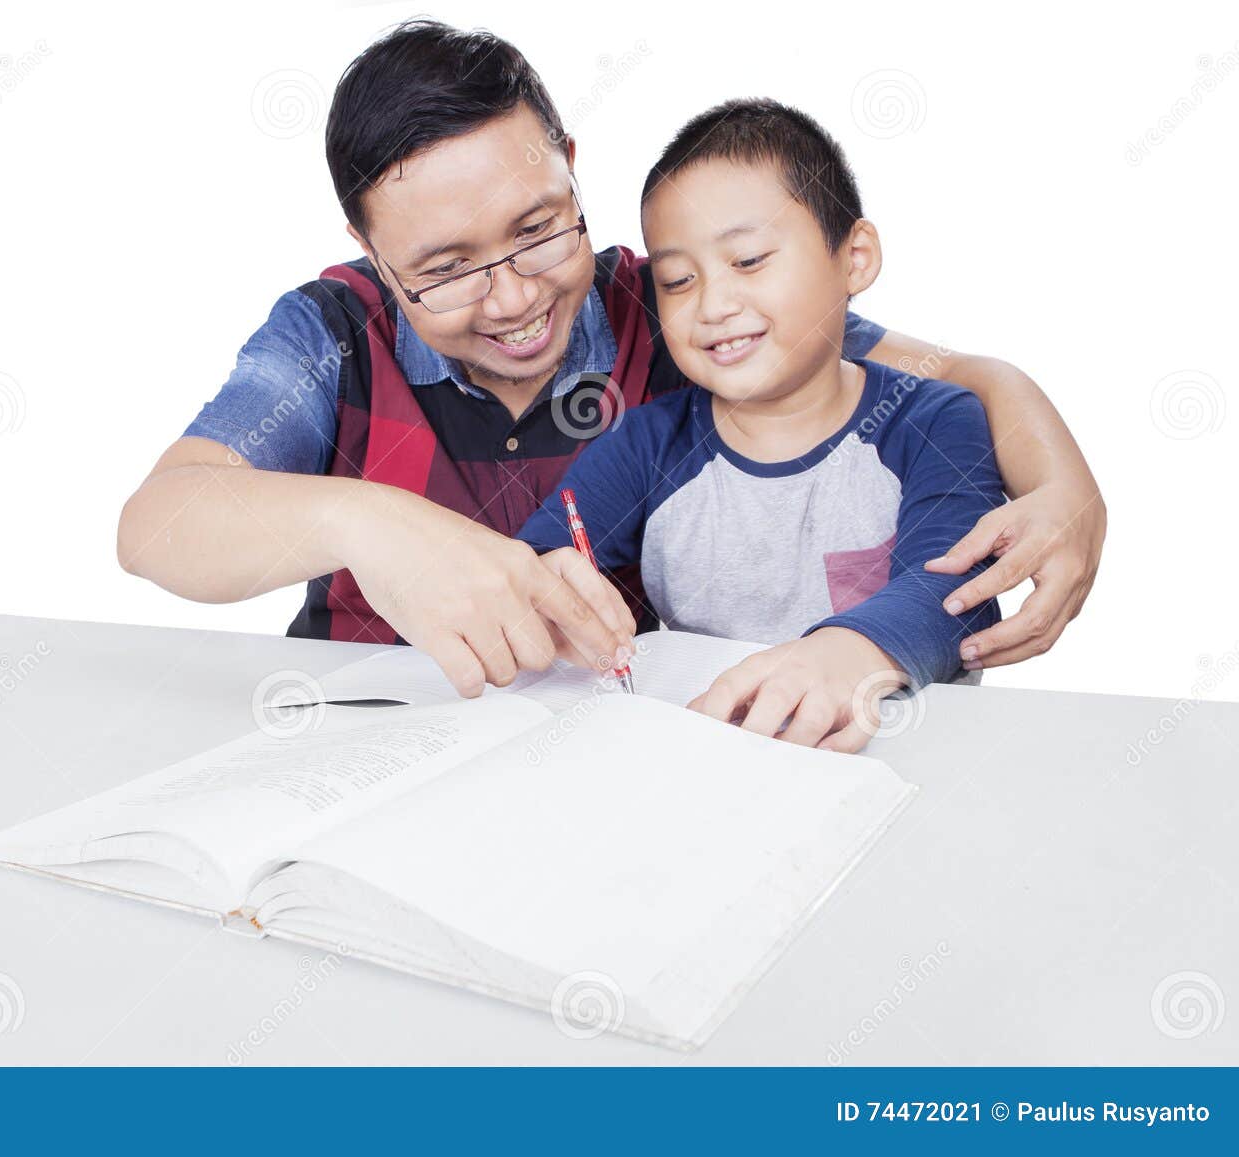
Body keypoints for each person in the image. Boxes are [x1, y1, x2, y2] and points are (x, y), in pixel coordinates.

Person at [116, 20, 1105, 698]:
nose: (512, 297)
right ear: (371, 251)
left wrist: (1065, 488)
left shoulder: (672, 307)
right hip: (367, 727)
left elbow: (958, 377)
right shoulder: (332, 332)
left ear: (572, 167)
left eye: (539, 230)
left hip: (615, 743)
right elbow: (158, 524)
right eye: (445, 266)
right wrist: (369, 521)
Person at [518, 98, 1003, 750]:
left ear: (854, 257)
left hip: (898, 758)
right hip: (712, 755)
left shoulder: (937, 421)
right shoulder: (644, 444)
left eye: (747, 261)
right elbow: (538, 560)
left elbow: (955, 593)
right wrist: (549, 585)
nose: (713, 304)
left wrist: (843, 654)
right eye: (678, 279)